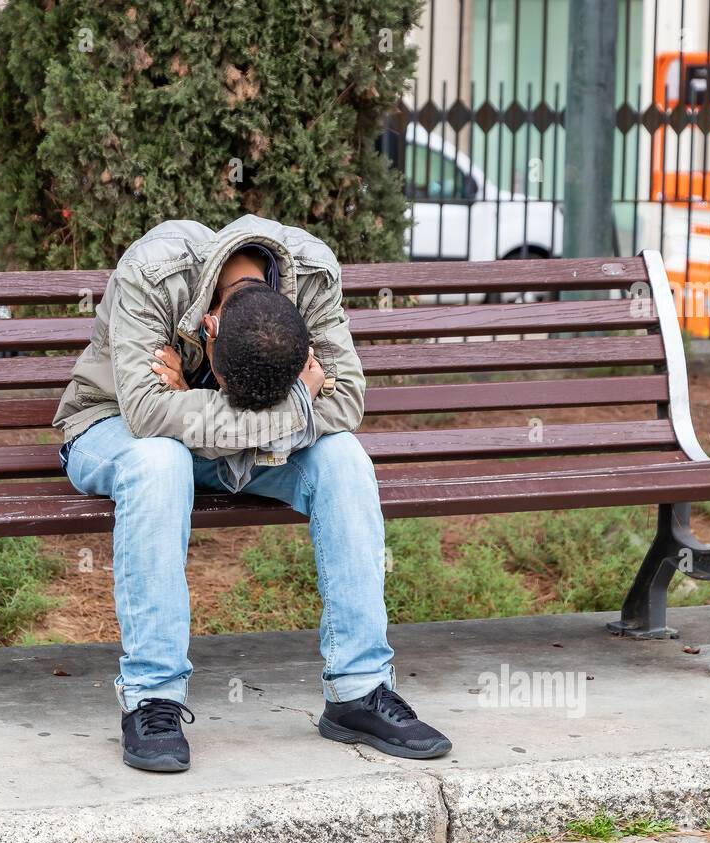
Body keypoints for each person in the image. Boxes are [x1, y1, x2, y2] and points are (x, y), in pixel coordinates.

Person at [53, 215, 452, 772]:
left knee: (344, 459)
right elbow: (144, 414)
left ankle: (358, 690)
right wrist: (293, 407)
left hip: (211, 436)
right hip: (110, 426)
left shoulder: (311, 275)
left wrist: (188, 400)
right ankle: (153, 697)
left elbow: (347, 403)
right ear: (209, 327)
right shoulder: (153, 269)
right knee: (161, 460)